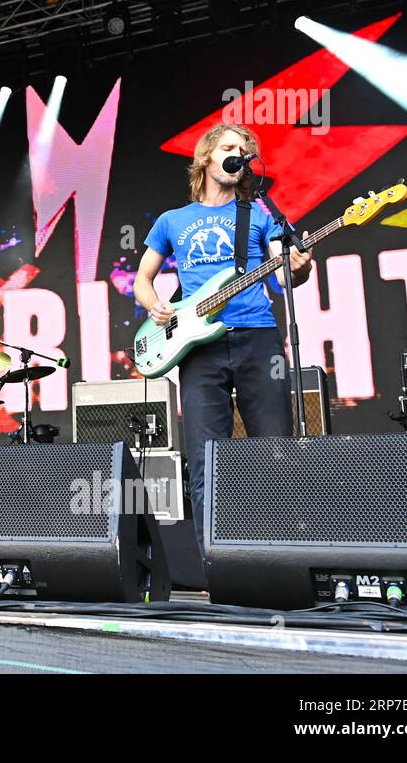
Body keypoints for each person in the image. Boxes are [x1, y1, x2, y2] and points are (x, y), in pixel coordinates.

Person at [134, 123, 312, 554]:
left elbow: (288, 271)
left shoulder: (259, 213)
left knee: (276, 453)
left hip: (257, 337)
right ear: (208, 156)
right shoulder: (172, 221)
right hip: (199, 349)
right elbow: (144, 277)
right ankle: (216, 565)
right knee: (205, 460)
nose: (239, 153)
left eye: (245, 149)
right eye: (230, 147)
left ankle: (280, 558)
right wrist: (155, 304)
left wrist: (300, 264)